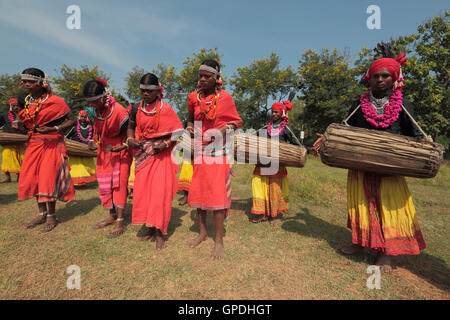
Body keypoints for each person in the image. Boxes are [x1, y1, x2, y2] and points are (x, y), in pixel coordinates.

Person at [311, 53, 426, 272]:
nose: (380, 80)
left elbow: (415, 135)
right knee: (360, 204)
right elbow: (347, 130)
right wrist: (327, 140)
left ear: (394, 79)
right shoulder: (358, 104)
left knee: (387, 207)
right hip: (360, 165)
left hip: (390, 168)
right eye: (375, 76)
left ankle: (386, 253)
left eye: (385, 76)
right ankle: (359, 242)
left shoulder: (404, 105)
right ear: (369, 79)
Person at [186, 60, 243, 260]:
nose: (202, 80)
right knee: (200, 191)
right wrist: (190, 127)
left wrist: (222, 129)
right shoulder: (193, 97)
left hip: (219, 150)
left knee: (217, 194)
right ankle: (202, 233)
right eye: (200, 76)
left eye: (206, 76)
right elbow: (190, 118)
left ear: (216, 78)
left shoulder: (225, 97)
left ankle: (218, 241)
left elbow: (236, 122)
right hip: (201, 149)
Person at [13, 68, 76, 232]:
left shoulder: (55, 101)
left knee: (48, 178)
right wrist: (19, 125)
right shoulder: (26, 102)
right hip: (33, 143)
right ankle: (41, 213)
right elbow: (27, 124)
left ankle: (51, 216)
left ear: (41, 83)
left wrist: (53, 128)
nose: (26, 84)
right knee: (33, 178)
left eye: (30, 81)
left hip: (51, 143)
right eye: (24, 81)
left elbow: (72, 120)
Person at [127, 73, 183, 249]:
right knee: (145, 194)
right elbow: (130, 126)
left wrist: (166, 143)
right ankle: (150, 227)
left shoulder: (165, 109)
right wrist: (130, 139)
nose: (145, 93)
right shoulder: (136, 108)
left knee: (159, 194)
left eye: (149, 90)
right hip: (144, 155)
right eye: (142, 90)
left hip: (162, 156)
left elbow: (179, 132)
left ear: (158, 91)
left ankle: (160, 232)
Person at [83, 78, 132, 238]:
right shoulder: (97, 111)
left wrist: (124, 146)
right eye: (90, 102)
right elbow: (98, 130)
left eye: (95, 101)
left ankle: (120, 220)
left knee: (119, 184)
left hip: (120, 150)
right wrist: (93, 141)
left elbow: (131, 132)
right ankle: (111, 215)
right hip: (104, 151)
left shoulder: (118, 111)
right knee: (106, 184)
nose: (92, 105)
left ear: (104, 97)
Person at [251, 100, 301, 226]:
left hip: (277, 165)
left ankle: (273, 215)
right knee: (260, 187)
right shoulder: (264, 128)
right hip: (263, 164)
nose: (273, 114)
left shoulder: (286, 129)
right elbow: (253, 137)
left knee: (274, 189)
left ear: (282, 114)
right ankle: (261, 213)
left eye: (276, 112)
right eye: (272, 112)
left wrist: (307, 150)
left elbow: (297, 144)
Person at [65, 110, 97, 186]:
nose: (83, 118)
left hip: (86, 150)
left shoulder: (90, 127)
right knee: (77, 166)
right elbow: (66, 136)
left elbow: (91, 138)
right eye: (82, 116)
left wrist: (92, 147)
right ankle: (76, 183)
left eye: (85, 117)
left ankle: (82, 182)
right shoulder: (74, 126)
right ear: (79, 116)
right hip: (74, 150)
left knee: (85, 166)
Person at [0, 96, 27, 183]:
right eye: (13, 106)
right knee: (7, 157)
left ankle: (20, 177)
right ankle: (7, 178)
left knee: (21, 159)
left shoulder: (25, 115)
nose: (15, 107)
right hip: (8, 140)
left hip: (21, 140)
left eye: (17, 106)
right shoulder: (5, 115)